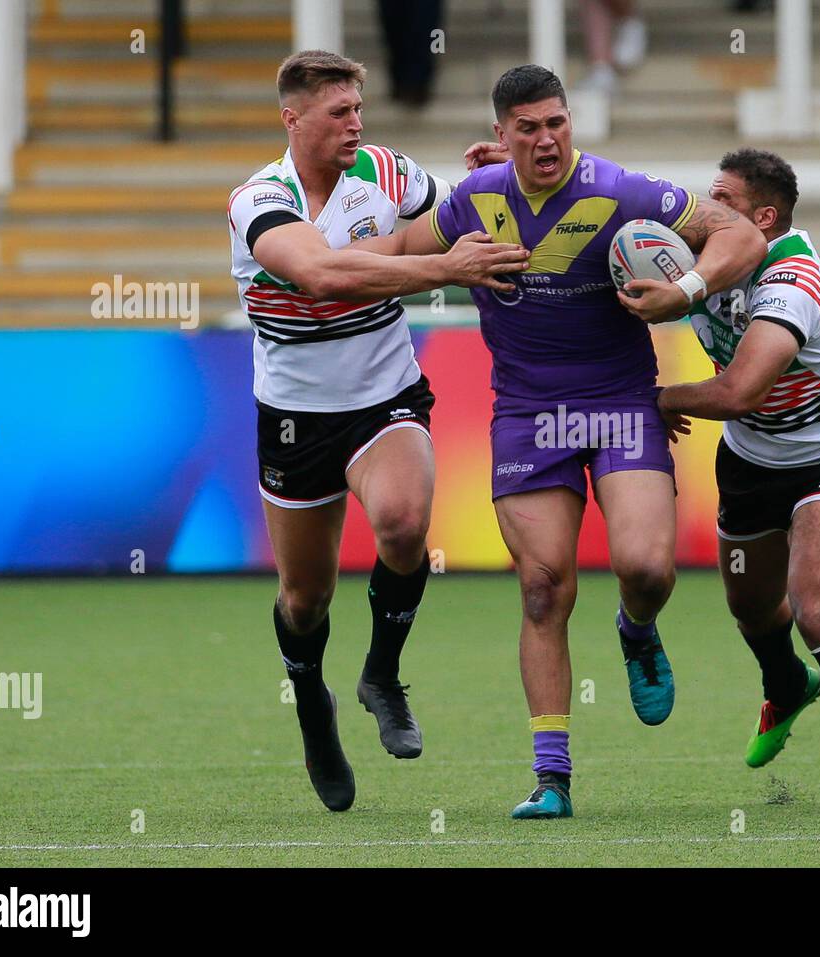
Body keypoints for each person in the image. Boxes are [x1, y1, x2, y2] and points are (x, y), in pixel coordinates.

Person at [360, 65, 765, 819]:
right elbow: (394, 255)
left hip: (620, 403)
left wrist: (684, 292)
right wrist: (334, 265)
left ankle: (637, 628)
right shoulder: (475, 202)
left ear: (570, 121)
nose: (546, 139)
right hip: (528, 412)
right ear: (501, 135)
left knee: (646, 567)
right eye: (528, 128)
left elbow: (737, 232)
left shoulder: (624, 193)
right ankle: (552, 777)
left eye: (557, 123)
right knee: (543, 588)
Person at [227, 50, 528, 812]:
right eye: (338, 113)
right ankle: (314, 711)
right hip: (295, 415)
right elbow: (323, 275)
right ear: (293, 119)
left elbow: (443, 222)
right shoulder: (259, 200)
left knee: (401, 523)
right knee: (305, 598)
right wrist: (428, 264)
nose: (355, 124)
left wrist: (490, 183)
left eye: (359, 108)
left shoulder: (388, 172)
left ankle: (383, 674)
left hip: (384, 393)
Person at [646, 148, 820, 813]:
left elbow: (742, 388)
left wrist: (659, 399)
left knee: (817, 609)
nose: (705, 210)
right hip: (749, 464)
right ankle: (785, 684)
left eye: (723, 201)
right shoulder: (701, 253)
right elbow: (602, 211)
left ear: (764, 217)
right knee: (750, 606)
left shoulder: (793, 277)